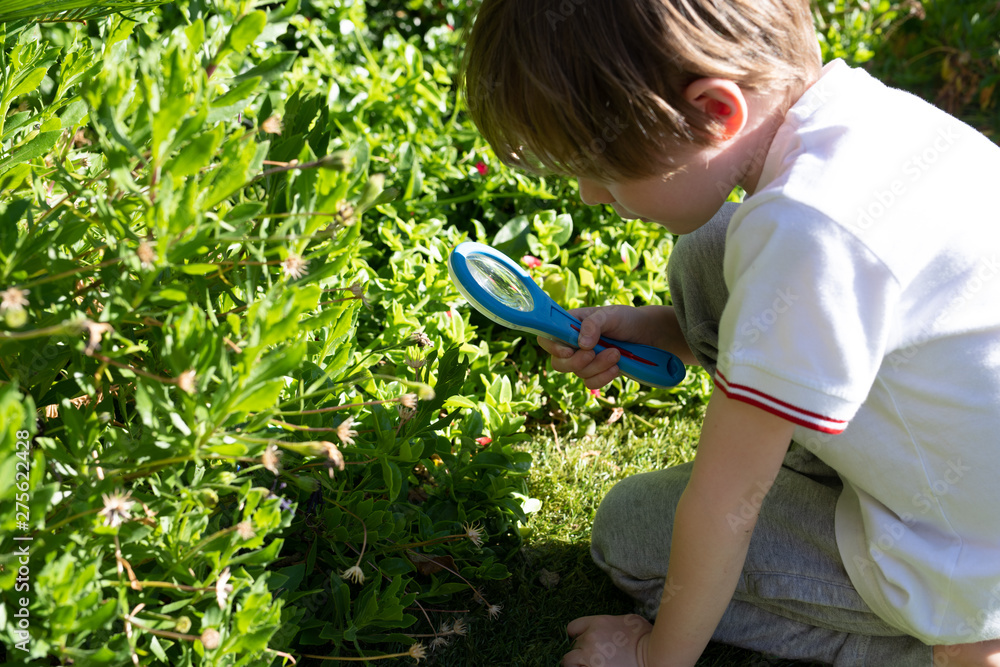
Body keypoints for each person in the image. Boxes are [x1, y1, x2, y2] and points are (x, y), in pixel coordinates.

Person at [462, 1, 1000, 666]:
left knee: (632, 531)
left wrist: (656, 654)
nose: (591, 195)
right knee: (711, 252)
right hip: (971, 469)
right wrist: (653, 331)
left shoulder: (805, 236)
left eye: (602, 167)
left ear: (717, 110)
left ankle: (957, 643)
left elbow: (727, 503)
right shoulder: (871, 121)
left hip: (960, 554)